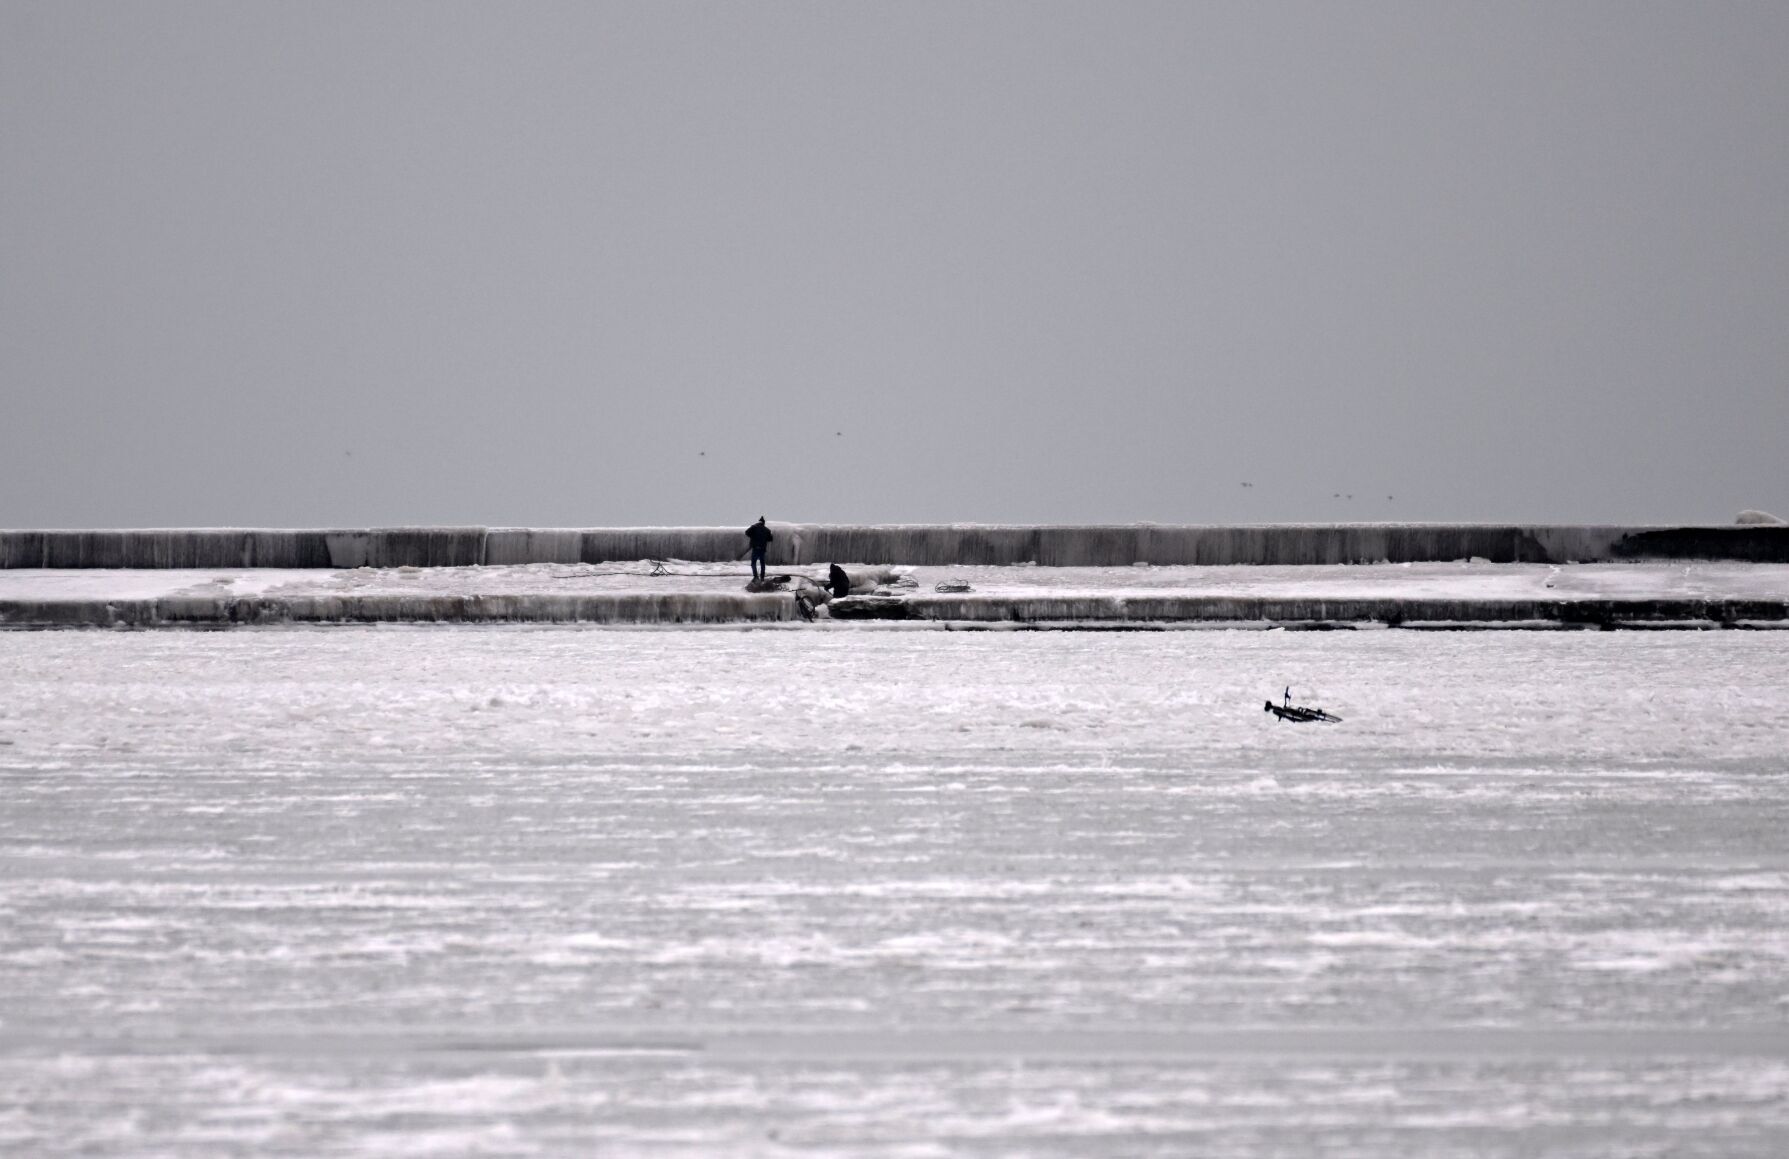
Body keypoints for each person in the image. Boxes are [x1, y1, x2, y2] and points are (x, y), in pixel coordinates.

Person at [745, 517, 774, 581]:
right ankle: (762, 577)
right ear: (764, 523)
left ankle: (755, 576)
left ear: (758, 522)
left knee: (753, 563)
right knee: (762, 563)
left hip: (755, 548)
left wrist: (753, 536)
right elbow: (770, 539)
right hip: (762, 549)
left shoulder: (754, 527)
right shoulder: (767, 530)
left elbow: (747, 532)